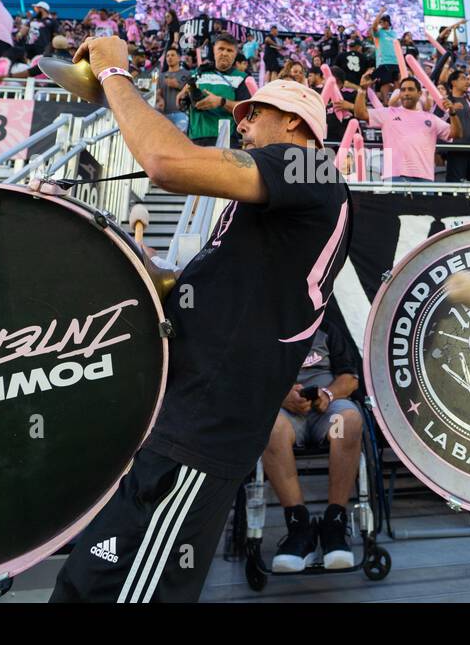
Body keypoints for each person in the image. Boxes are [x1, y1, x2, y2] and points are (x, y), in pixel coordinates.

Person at [50, 38, 351, 603]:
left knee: (115, 593)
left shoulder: (306, 163)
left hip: (202, 426)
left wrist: (115, 71)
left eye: (252, 114)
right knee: (89, 583)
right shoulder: (272, 205)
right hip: (190, 421)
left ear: (292, 123)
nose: (243, 127)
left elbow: (166, 163)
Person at [264, 313, 363, 572]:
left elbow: (350, 378)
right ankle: (299, 528)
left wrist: (327, 394)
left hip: (327, 408)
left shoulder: (328, 329)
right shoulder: (264, 328)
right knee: (268, 427)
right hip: (283, 410)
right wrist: (281, 395)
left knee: (349, 422)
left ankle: (335, 523)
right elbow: (251, 376)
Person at [354, 72, 459, 182]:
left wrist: (452, 113)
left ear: (419, 93)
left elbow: (455, 134)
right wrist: (362, 90)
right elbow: (360, 114)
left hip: (424, 178)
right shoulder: (388, 113)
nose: (406, 93)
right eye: (403, 90)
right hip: (394, 176)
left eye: (410, 89)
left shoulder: (431, 118)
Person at [182, 34, 249, 146]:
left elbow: (245, 110)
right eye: (221, 49)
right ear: (214, 50)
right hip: (195, 138)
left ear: (235, 54)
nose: (224, 53)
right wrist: (182, 96)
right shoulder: (198, 73)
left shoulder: (242, 78)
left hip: (226, 139)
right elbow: (181, 104)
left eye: (229, 50)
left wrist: (221, 102)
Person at [443, 68, 470, 182]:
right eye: (463, 79)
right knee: (455, 186)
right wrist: (449, 111)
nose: (467, 82)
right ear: (453, 82)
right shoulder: (444, 102)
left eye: (467, 79)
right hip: (455, 150)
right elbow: (437, 122)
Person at [156, 47, 192, 133]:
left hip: (181, 113)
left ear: (179, 58)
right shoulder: (161, 76)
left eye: (172, 55)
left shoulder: (187, 74)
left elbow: (192, 90)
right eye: (167, 56)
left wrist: (178, 86)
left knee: (181, 141)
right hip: (164, 114)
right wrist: (159, 98)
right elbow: (157, 93)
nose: (169, 58)